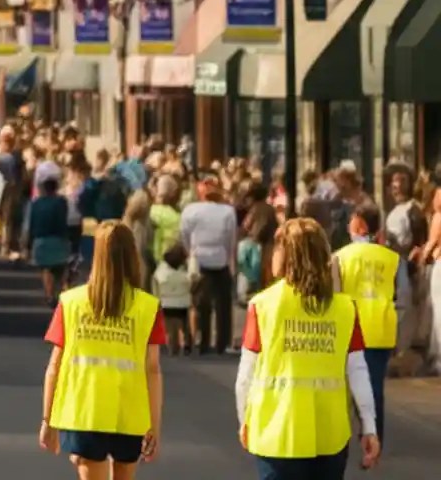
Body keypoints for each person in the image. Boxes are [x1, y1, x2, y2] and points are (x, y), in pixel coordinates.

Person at [235, 217, 380, 478]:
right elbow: (358, 371)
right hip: (330, 436)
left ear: (287, 255)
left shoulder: (263, 305)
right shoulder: (345, 309)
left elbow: (246, 374)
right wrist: (369, 426)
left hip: (276, 434)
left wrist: (244, 418)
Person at [40, 221, 165, 478]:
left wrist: (47, 420)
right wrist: (153, 425)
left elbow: (55, 366)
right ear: (132, 255)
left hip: (84, 411)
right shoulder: (147, 307)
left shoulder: (71, 302)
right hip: (129, 413)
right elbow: (152, 369)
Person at [332, 201, 406, 446]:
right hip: (381, 329)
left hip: (350, 329)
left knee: (342, 388)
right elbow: (400, 294)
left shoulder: (341, 257)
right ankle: (374, 437)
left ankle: (339, 438)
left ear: (360, 224)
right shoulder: (391, 258)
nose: (348, 225)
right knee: (374, 389)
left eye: (352, 220)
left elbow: (335, 295)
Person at [179, 175, 237, 354]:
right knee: (223, 305)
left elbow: (184, 235)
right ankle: (222, 342)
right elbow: (231, 238)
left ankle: (202, 342)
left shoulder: (190, 210)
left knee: (200, 303)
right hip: (220, 257)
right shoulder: (228, 211)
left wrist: (191, 252)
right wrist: (229, 257)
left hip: (198, 258)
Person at [29, 177, 71, 305]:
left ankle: (49, 295)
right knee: (61, 268)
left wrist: (29, 242)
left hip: (41, 238)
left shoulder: (36, 203)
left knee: (46, 269)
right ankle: (64, 292)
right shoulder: (61, 202)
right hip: (59, 237)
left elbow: (32, 222)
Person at [152, 244, 194, 356]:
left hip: (166, 303)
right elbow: (192, 278)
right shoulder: (184, 273)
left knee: (170, 327)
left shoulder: (161, 271)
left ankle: (172, 346)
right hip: (183, 303)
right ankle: (187, 343)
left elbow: (156, 284)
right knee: (185, 325)